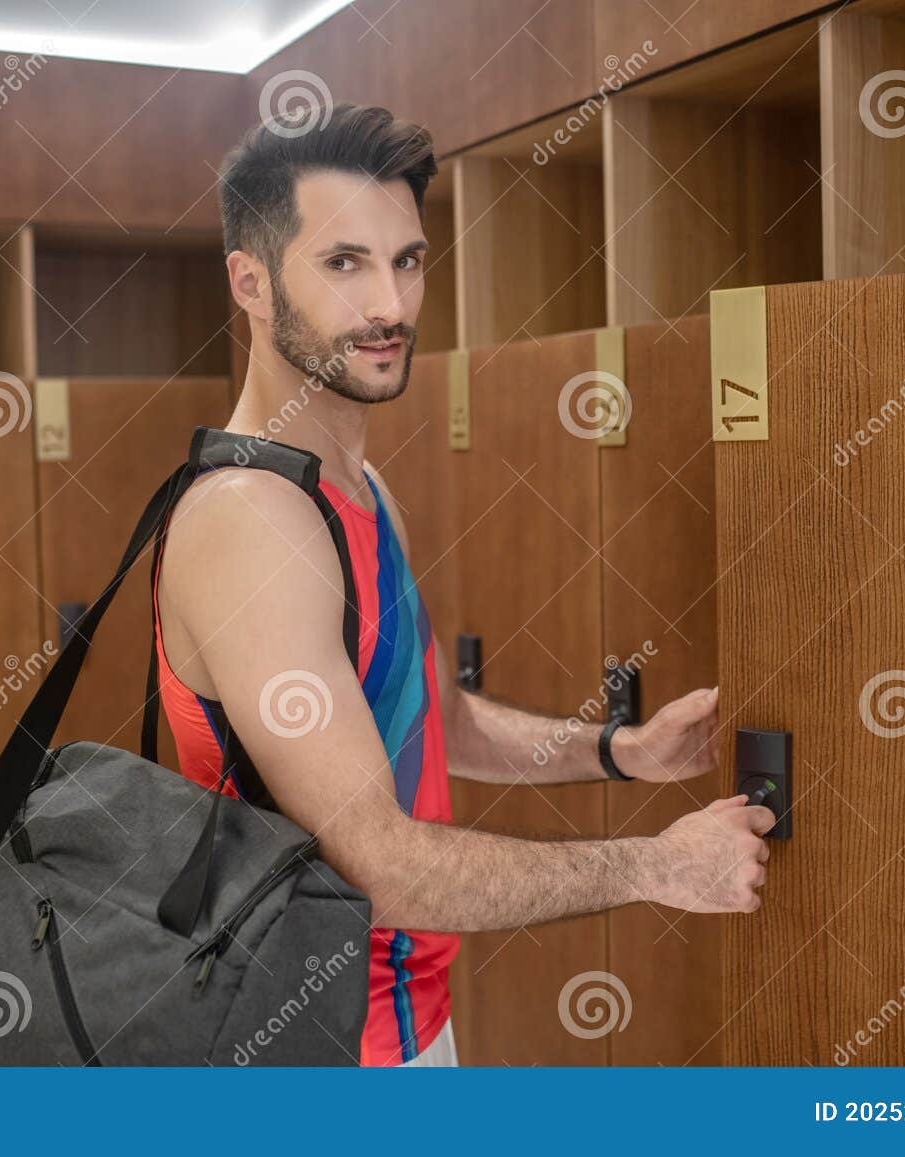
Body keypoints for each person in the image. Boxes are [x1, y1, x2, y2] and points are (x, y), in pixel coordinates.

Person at [152, 101, 774, 1068]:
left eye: (406, 260)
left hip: (404, 1025)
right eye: (343, 263)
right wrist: (656, 864)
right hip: (314, 1052)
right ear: (252, 283)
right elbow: (381, 865)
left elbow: (439, 716)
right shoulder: (250, 520)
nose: (391, 306)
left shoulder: (359, 492)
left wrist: (621, 751)